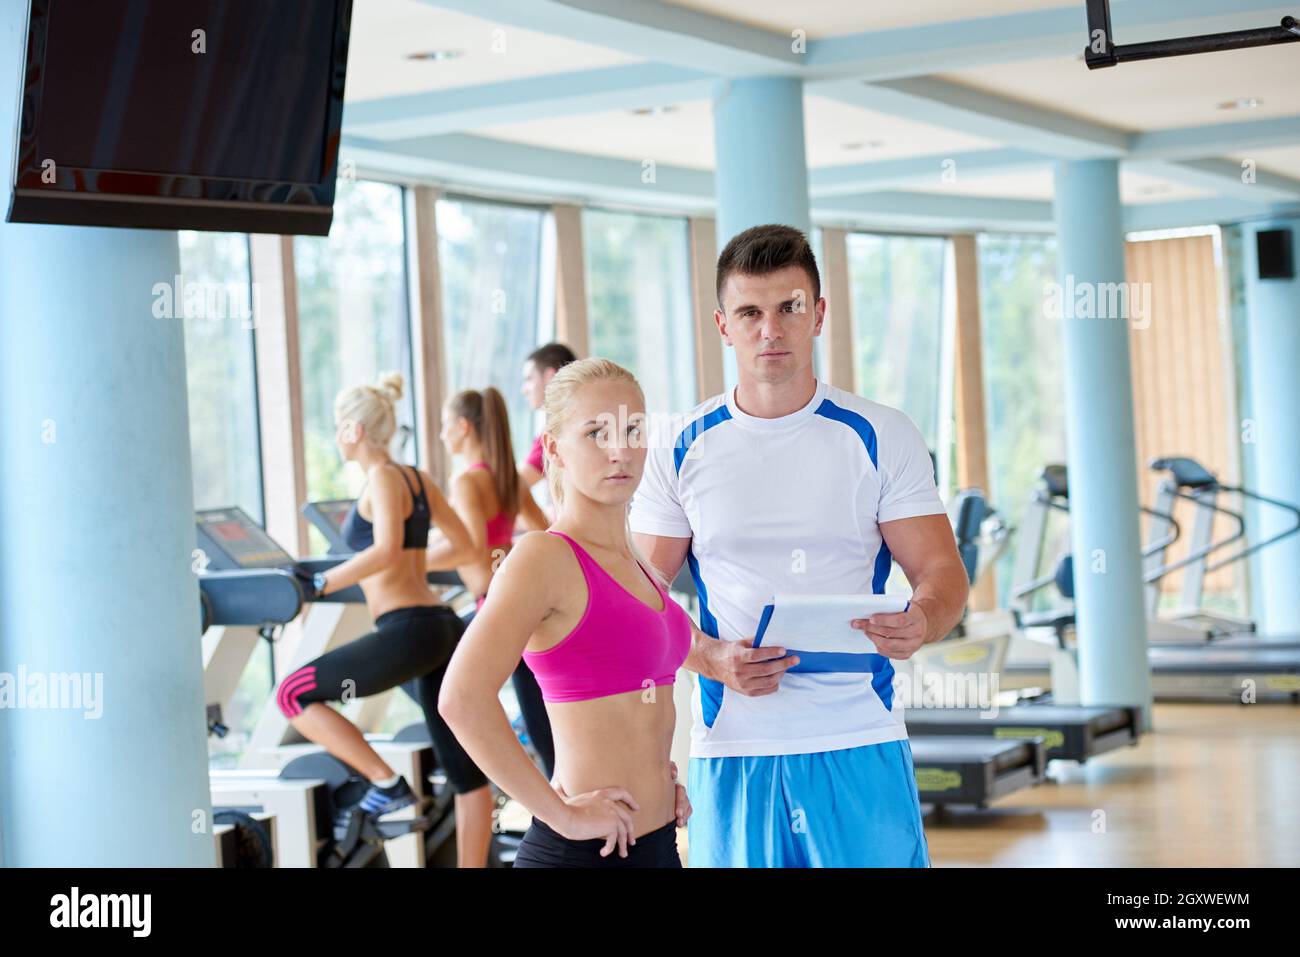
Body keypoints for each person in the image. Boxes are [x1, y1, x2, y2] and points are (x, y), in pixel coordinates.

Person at [628, 224, 970, 868]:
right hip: (734, 746)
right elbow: (640, 599)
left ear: (818, 313)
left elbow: (940, 570)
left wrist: (923, 618)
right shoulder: (679, 445)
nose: (770, 330)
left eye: (788, 308)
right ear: (722, 325)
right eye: (750, 313)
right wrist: (706, 656)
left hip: (858, 736)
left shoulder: (881, 433)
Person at [439, 358, 693, 868]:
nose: (620, 449)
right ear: (554, 448)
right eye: (596, 432)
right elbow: (461, 699)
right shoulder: (544, 557)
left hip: (657, 844)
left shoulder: (635, 560)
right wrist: (561, 813)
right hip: (581, 854)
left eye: (632, 430)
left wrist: (658, 780)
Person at [274, 372, 496, 867]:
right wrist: (409, 562)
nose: (335, 437)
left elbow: (386, 548)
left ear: (354, 429)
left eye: (337, 427)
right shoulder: (417, 478)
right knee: (467, 774)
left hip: (409, 630)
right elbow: (464, 547)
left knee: (292, 694)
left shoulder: (379, 479)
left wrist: (320, 585)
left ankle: (386, 784)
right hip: (442, 626)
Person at [432, 386, 555, 779]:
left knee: (450, 689)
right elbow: (550, 532)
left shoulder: (466, 482)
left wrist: (410, 562)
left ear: (463, 427)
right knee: (541, 723)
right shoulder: (507, 480)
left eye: (444, 425)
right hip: (517, 607)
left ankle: (489, 777)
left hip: (493, 606)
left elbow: (469, 547)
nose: (440, 435)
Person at [516, 342, 577, 531]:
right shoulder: (579, 420)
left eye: (529, 379)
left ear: (550, 376)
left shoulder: (556, 432)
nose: (524, 389)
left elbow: (512, 487)